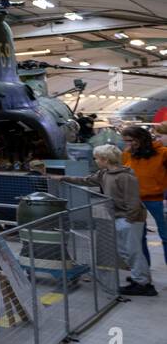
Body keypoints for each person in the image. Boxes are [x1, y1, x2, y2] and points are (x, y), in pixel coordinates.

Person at [63, 144, 155, 295]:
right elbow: (86, 180)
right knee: (125, 251)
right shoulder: (104, 173)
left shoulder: (125, 176)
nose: (95, 161)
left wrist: (128, 220)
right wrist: (63, 178)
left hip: (129, 219)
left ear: (105, 159)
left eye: (97, 158)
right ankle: (139, 277)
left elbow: (132, 201)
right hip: (119, 217)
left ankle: (143, 284)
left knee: (132, 252)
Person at [120, 125, 167, 271]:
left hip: (158, 200)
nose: (128, 144)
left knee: (166, 237)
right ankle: (144, 274)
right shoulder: (128, 154)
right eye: (125, 141)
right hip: (135, 201)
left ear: (141, 138)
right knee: (139, 239)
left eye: (130, 140)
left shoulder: (163, 153)